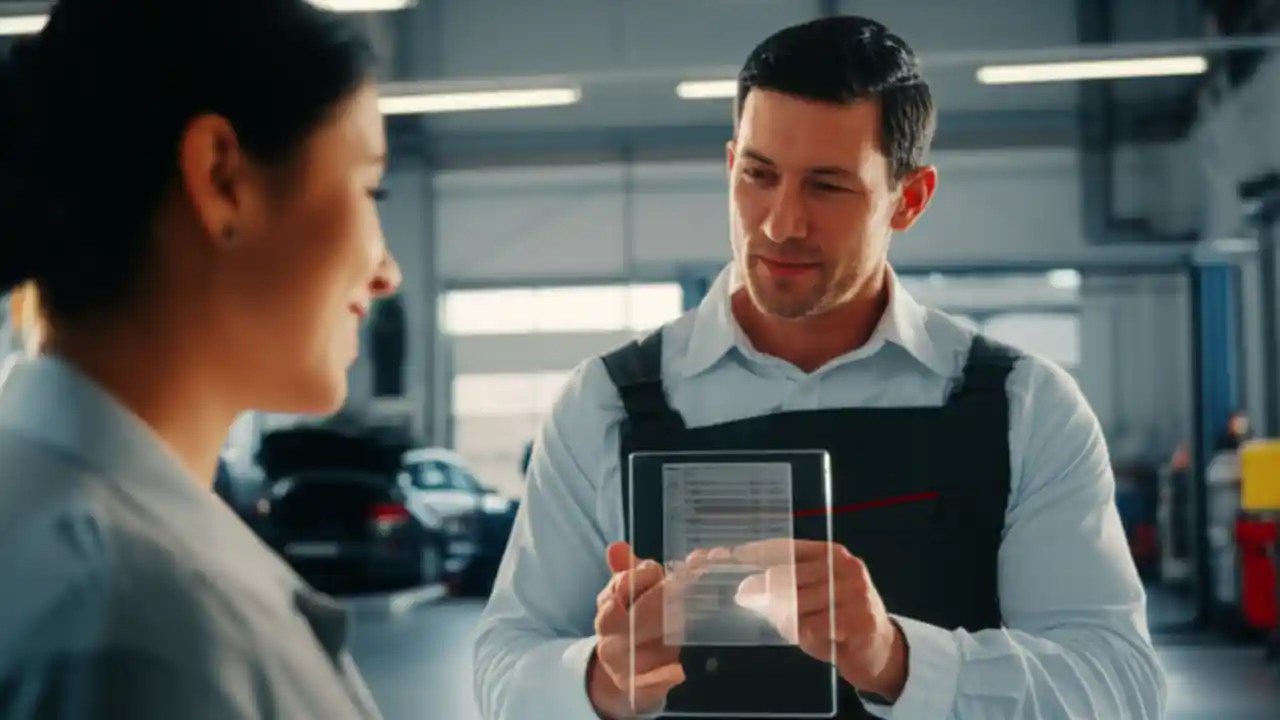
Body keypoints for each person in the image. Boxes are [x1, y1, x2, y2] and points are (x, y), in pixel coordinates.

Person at [474, 15, 1166, 720]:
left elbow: (1116, 687)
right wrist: (596, 679)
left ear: (911, 197)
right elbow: (505, 665)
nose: (780, 224)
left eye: (827, 187)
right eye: (759, 175)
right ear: (729, 165)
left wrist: (894, 658)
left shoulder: (1026, 407)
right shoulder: (604, 404)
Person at [0, 1, 401, 717]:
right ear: (222, 179)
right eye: (369, 189)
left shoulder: (65, 542)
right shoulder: (137, 623)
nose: (386, 273)